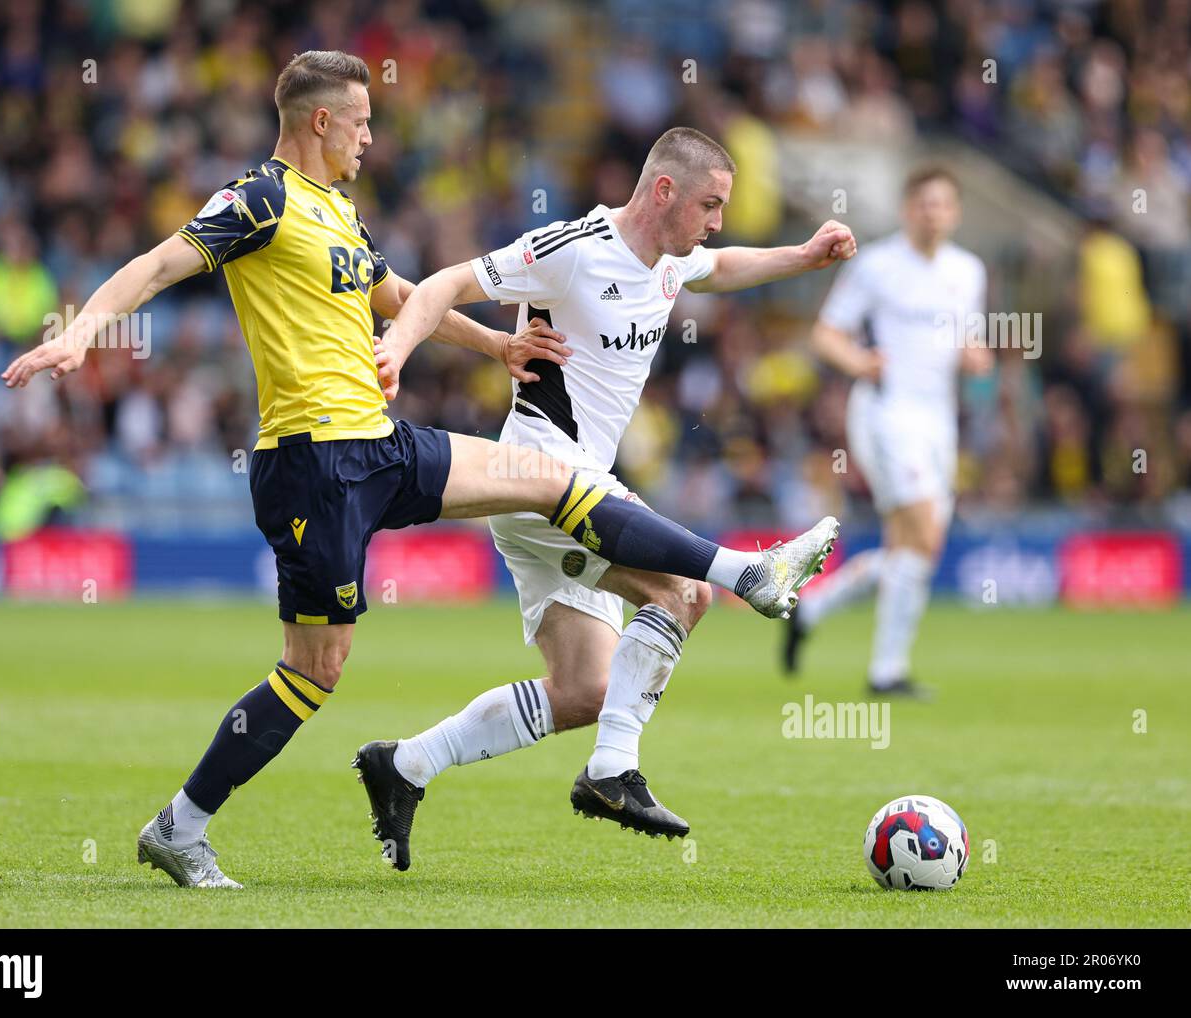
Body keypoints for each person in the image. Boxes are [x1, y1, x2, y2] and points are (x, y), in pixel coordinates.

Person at [1, 53, 840, 889]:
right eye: (362, 121)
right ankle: (180, 828)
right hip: (313, 464)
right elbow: (158, 264)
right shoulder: (261, 199)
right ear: (321, 121)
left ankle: (741, 572)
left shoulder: (340, 210)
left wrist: (500, 344)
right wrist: (84, 330)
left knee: (552, 482)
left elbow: (401, 295)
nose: (372, 136)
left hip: (382, 442)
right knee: (314, 669)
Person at [355, 127, 853, 870]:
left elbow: (721, 266)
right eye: (709, 204)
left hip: (568, 487)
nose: (716, 220)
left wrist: (804, 257)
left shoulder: (670, 261)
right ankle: (618, 763)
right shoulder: (573, 248)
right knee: (683, 593)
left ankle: (403, 766)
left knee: (587, 688)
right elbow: (444, 285)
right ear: (663, 192)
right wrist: (397, 347)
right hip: (537, 475)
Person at [785, 166, 992, 698]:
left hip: (938, 419)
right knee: (920, 532)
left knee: (916, 545)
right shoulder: (877, 265)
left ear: (956, 213)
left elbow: (966, 341)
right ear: (907, 209)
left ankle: (812, 608)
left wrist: (975, 357)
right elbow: (826, 334)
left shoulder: (968, 271)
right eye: (924, 203)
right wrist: (858, 362)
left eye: (943, 204)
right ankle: (887, 673)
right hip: (886, 412)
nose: (933, 213)